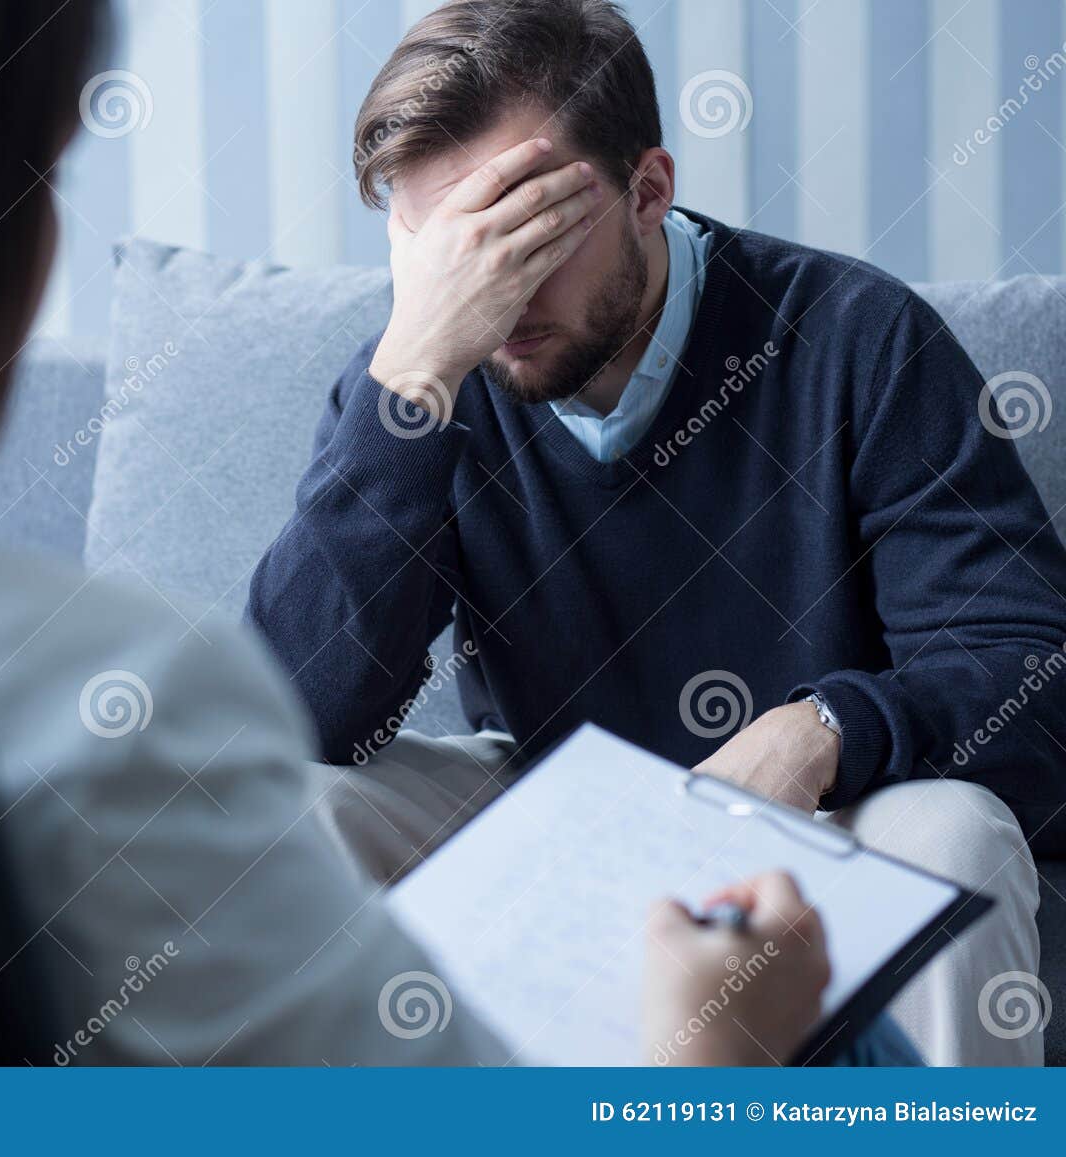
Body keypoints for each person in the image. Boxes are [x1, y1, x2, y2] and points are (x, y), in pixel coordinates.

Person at [0, 0, 887, 1066]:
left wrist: (832, 722)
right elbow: (313, 729)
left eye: (526, 235)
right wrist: (706, 1054)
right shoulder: (124, 694)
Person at [245, 0, 1059, 1065]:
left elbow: (1030, 671)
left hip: (820, 825)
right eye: (454, 249)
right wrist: (414, 381)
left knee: (954, 834)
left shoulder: (857, 337)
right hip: (550, 807)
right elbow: (293, 720)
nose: (494, 293)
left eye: (527, 230)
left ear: (647, 190)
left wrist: (822, 729)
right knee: (298, 809)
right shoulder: (420, 377)